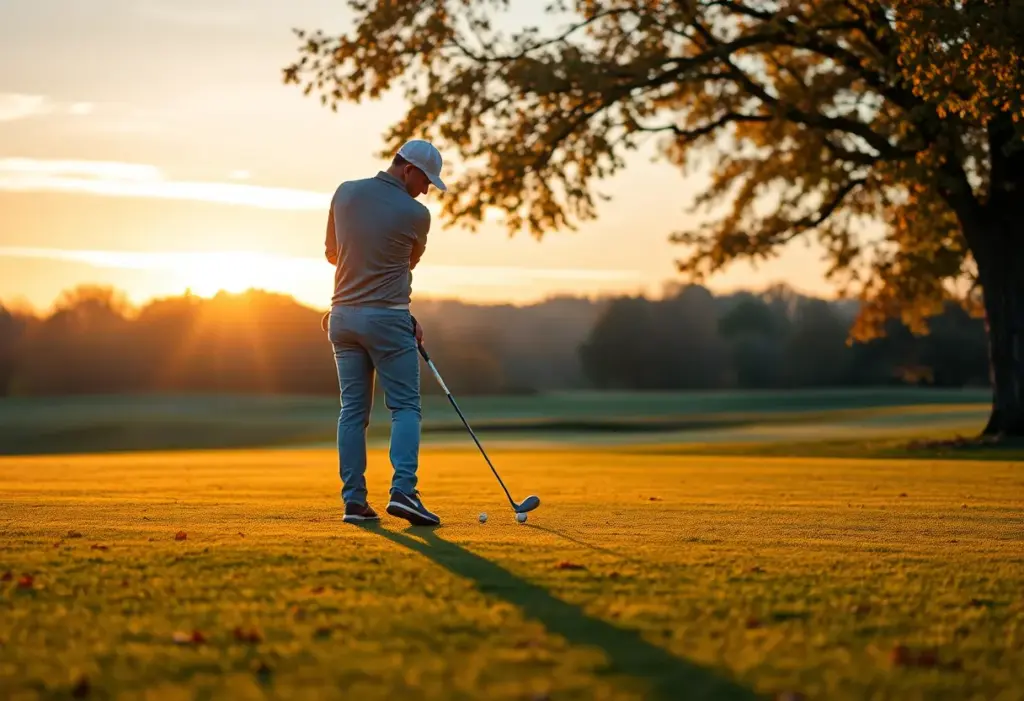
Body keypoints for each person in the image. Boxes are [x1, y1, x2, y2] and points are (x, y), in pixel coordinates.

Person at [323, 139, 447, 526]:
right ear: (407, 169)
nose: (427, 189)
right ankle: (404, 492)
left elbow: (332, 253)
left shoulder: (344, 193)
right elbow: (407, 265)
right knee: (406, 407)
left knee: (352, 411)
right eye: (426, 180)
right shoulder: (416, 214)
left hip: (342, 317)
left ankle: (354, 502)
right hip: (388, 319)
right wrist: (393, 308)